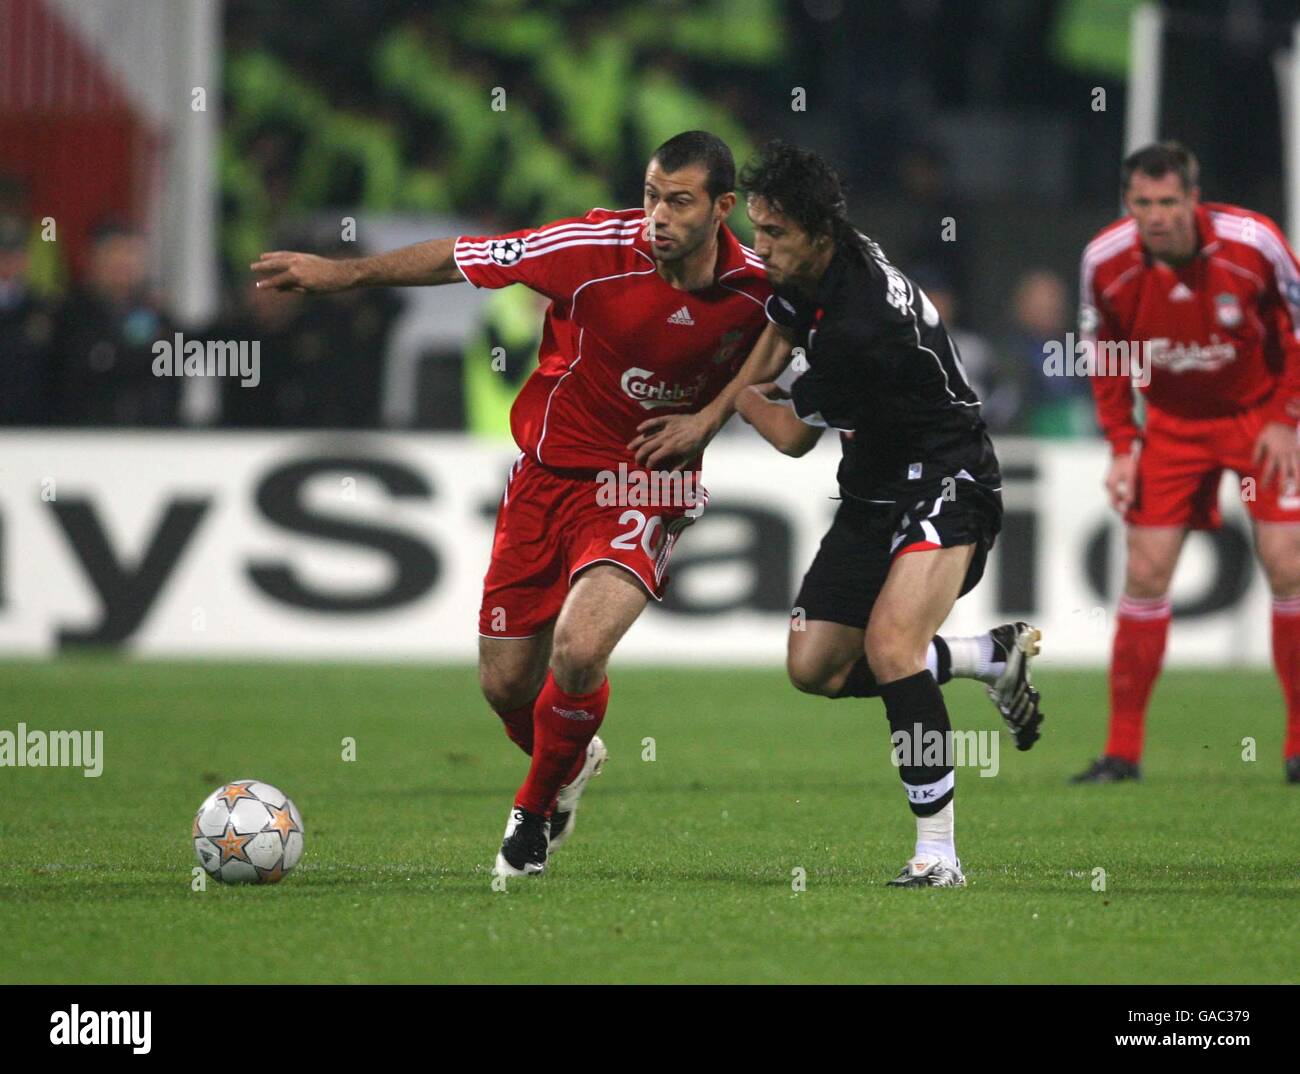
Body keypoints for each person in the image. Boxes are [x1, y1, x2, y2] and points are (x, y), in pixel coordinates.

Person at [253, 131, 786, 877]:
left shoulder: (765, 285)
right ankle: (569, 754)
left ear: (723, 208)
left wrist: (714, 420)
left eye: (680, 201)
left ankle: (530, 820)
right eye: (651, 195)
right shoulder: (593, 248)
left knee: (578, 649)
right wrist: (345, 275)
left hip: (645, 484)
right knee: (505, 683)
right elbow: (462, 256)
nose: (657, 216)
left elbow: (808, 330)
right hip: (547, 476)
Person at [704, 140, 1044, 888]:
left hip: (948, 474)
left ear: (818, 236)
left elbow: (792, 436)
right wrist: (724, 398)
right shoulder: (821, 263)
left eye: (773, 236)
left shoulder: (860, 327)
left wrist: (719, 403)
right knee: (815, 666)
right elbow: (779, 330)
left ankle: (939, 854)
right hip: (872, 485)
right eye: (756, 230)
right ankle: (984, 657)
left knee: (892, 647)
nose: (760, 250)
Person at [1073, 142, 1300, 784]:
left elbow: (1297, 327)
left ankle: (1298, 747)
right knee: (1144, 573)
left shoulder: (1254, 242)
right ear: (1128, 204)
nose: (1156, 216)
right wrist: (1122, 444)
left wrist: (1287, 418)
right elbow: (1107, 355)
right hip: (1170, 428)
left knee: (1288, 563)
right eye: (1142, 203)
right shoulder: (1105, 261)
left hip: (1260, 418)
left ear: (1193, 199)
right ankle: (1121, 754)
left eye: (1168, 201)